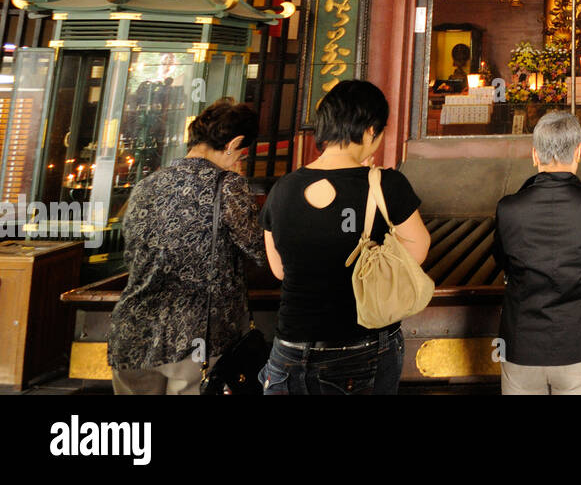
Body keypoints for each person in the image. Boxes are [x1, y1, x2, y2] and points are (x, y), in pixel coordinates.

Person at [259, 80, 430, 395]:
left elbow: (280, 270)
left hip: (287, 352)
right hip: (360, 349)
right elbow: (417, 252)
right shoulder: (387, 186)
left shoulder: (282, 190)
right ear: (369, 131)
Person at [108, 99, 265, 394]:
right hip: (196, 339)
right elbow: (260, 251)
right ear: (234, 143)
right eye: (242, 152)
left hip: (132, 332)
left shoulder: (147, 184)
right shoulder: (228, 185)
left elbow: (131, 251)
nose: (240, 159)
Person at [492, 111, 581, 395]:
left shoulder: (508, 208)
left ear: (534, 154)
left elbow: (502, 261)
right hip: (578, 341)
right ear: (578, 151)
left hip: (521, 343)